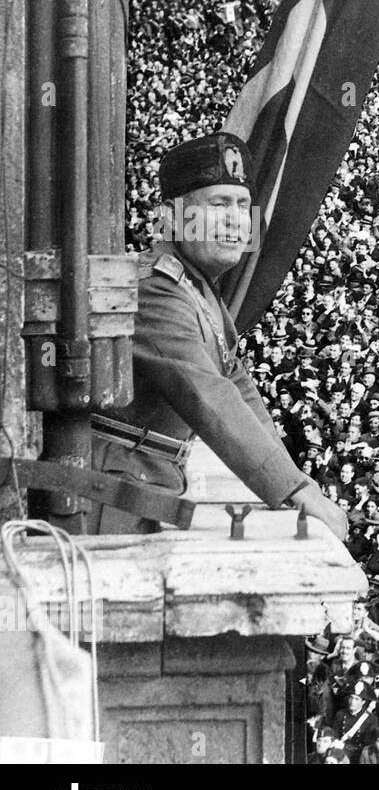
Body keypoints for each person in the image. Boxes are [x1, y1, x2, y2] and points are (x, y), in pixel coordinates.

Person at [89, 132, 347, 541]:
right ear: (171, 217)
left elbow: (237, 385)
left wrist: (296, 481)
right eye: (218, 204)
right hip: (110, 495)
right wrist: (293, 490)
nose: (235, 220)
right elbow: (208, 394)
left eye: (243, 205)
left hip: (143, 483)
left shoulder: (198, 288)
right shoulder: (155, 289)